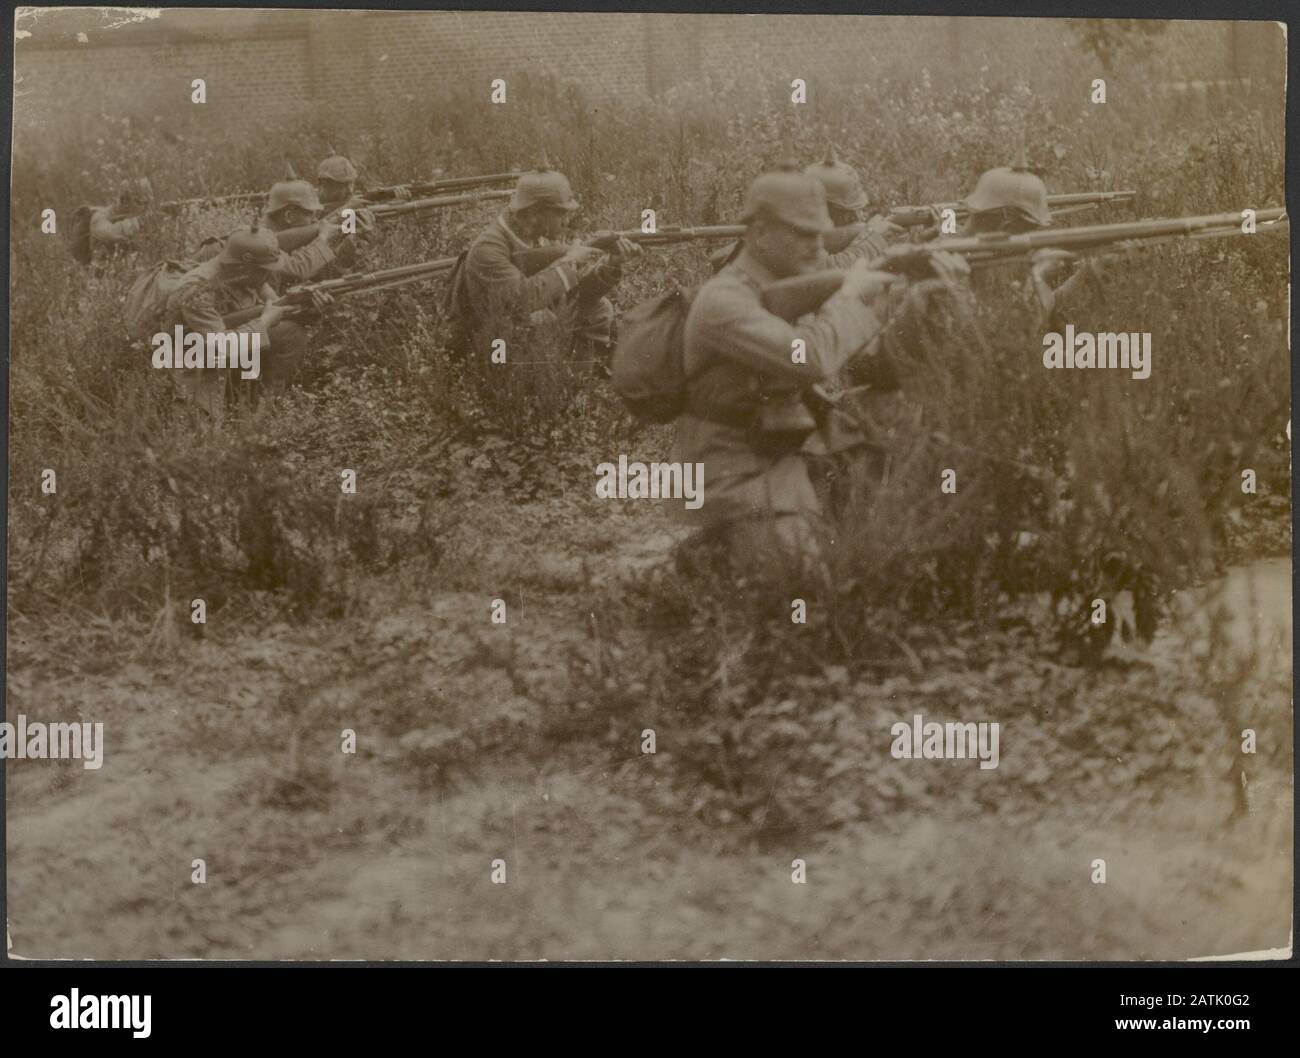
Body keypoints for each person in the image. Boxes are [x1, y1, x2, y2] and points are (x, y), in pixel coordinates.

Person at [672, 169, 898, 579]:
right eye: (803, 234)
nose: (818, 245)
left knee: (895, 514)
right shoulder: (724, 300)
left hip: (787, 448)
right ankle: (718, 549)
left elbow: (863, 362)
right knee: (808, 583)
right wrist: (850, 298)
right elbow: (808, 355)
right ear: (758, 233)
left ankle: (737, 546)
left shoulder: (785, 285)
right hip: (731, 470)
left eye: (820, 233)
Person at [446, 168, 639, 364]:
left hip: (520, 327)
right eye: (561, 213)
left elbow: (575, 294)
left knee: (598, 308)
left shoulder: (537, 235)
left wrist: (610, 265)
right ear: (535, 213)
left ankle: (583, 381)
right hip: (491, 346)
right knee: (544, 320)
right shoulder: (488, 249)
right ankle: (541, 388)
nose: (567, 220)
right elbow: (522, 300)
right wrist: (570, 262)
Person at [164, 226, 329, 413]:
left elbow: (279, 308)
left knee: (290, 333)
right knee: (203, 428)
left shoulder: (248, 276)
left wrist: (308, 308)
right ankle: (239, 405)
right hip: (191, 358)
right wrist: (265, 321)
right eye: (264, 271)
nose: (269, 275)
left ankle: (264, 409)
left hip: (227, 348)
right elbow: (222, 346)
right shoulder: (196, 289)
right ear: (242, 266)